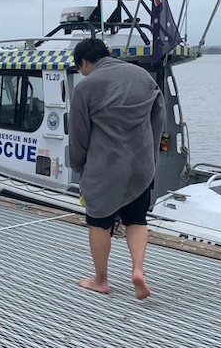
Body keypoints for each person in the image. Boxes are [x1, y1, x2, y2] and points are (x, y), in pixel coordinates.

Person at [69, 38, 165, 300]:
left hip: (105, 166)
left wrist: (77, 164)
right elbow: (159, 117)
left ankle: (101, 280)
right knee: (137, 219)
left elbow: (78, 135)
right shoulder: (143, 76)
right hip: (140, 166)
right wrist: (150, 156)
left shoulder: (85, 87)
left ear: (84, 62)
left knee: (99, 222)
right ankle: (137, 270)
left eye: (80, 68)